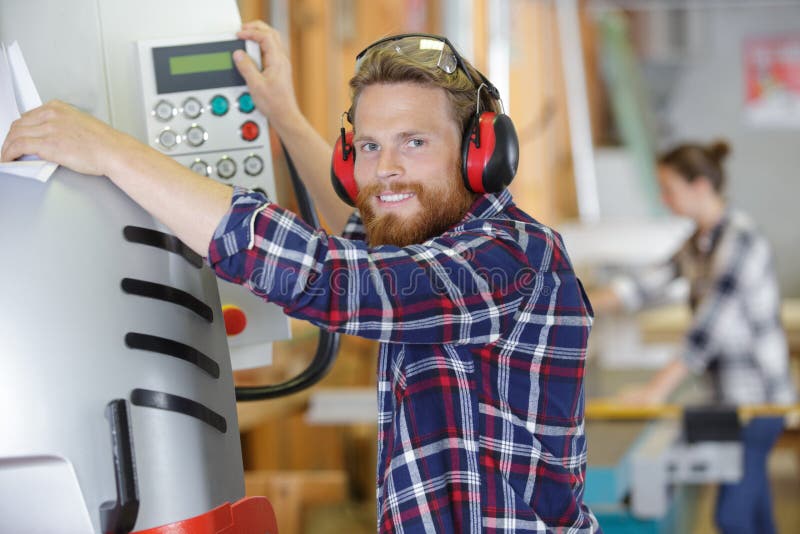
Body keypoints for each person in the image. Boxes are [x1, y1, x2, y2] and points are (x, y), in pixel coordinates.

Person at [2, 23, 600, 533]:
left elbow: (333, 278)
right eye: (368, 146)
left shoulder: (510, 259)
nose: (386, 169)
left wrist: (111, 152)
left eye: (413, 142)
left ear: (481, 154)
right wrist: (282, 114)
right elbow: (359, 221)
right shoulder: (427, 236)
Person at [593, 141, 795, 534]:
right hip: (731, 398)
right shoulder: (700, 242)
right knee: (755, 513)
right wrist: (571, 302)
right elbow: (643, 286)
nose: (665, 199)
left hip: (758, 404)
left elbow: (706, 333)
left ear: (700, 186)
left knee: (732, 517)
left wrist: (654, 392)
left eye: (669, 189)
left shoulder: (740, 242)